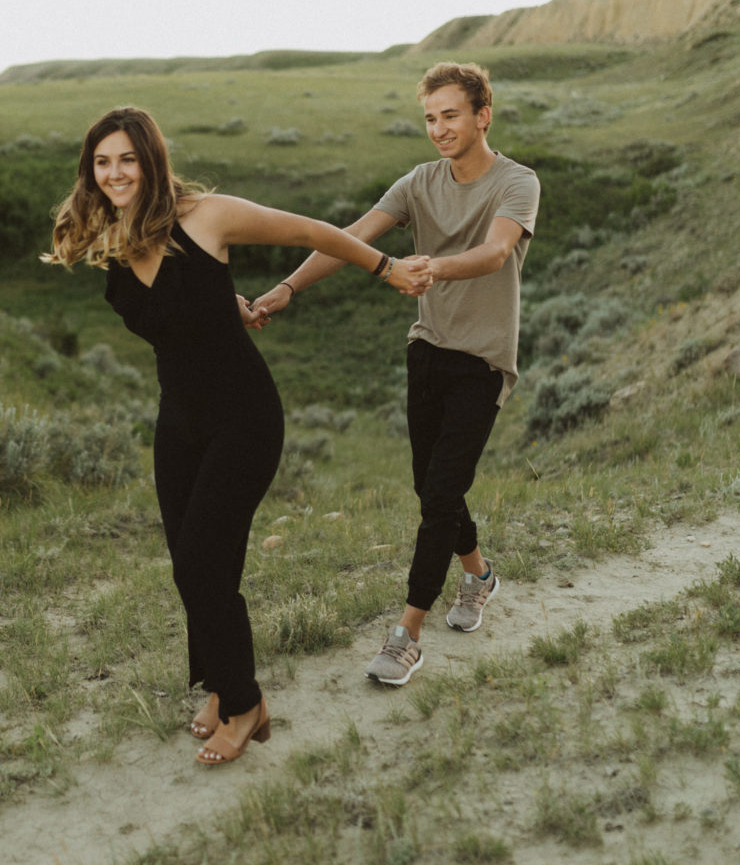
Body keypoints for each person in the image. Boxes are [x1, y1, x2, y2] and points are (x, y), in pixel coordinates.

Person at [44, 106, 429, 762]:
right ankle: (222, 689)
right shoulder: (109, 234)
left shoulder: (207, 215)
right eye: (102, 162)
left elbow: (309, 229)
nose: (114, 173)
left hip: (244, 415)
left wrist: (385, 266)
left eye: (127, 159)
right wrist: (227, 304)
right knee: (194, 568)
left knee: (202, 561)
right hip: (179, 420)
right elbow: (179, 302)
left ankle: (246, 704)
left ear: (151, 160)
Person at [250, 62, 539, 686]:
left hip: (484, 360)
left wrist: (425, 269)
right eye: (430, 118)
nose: (439, 129)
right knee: (431, 485)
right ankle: (480, 576)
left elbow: (495, 251)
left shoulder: (518, 182)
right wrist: (287, 288)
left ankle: (406, 633)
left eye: (451, 115)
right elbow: (351, 238)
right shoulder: (418, 183)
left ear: (483, 115)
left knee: (439, 493)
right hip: (428, 348)